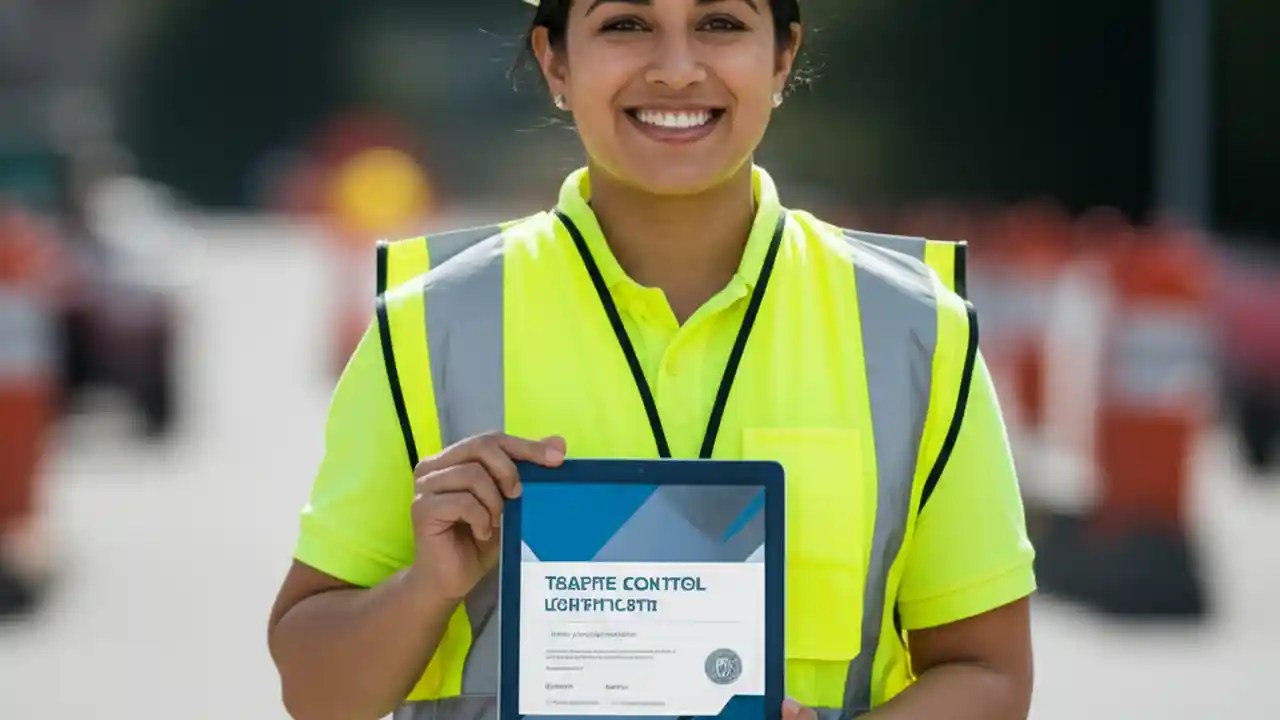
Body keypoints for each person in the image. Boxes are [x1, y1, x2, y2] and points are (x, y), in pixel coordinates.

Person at [267, 1, 1037, 719]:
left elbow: (991, 673)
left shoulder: (915, 330)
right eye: (627, 24)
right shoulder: (429, 323)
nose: (675, 69)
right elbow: (315, 691)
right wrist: (425, 588)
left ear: (782, 56)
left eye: (721, 23)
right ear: (556, 63)